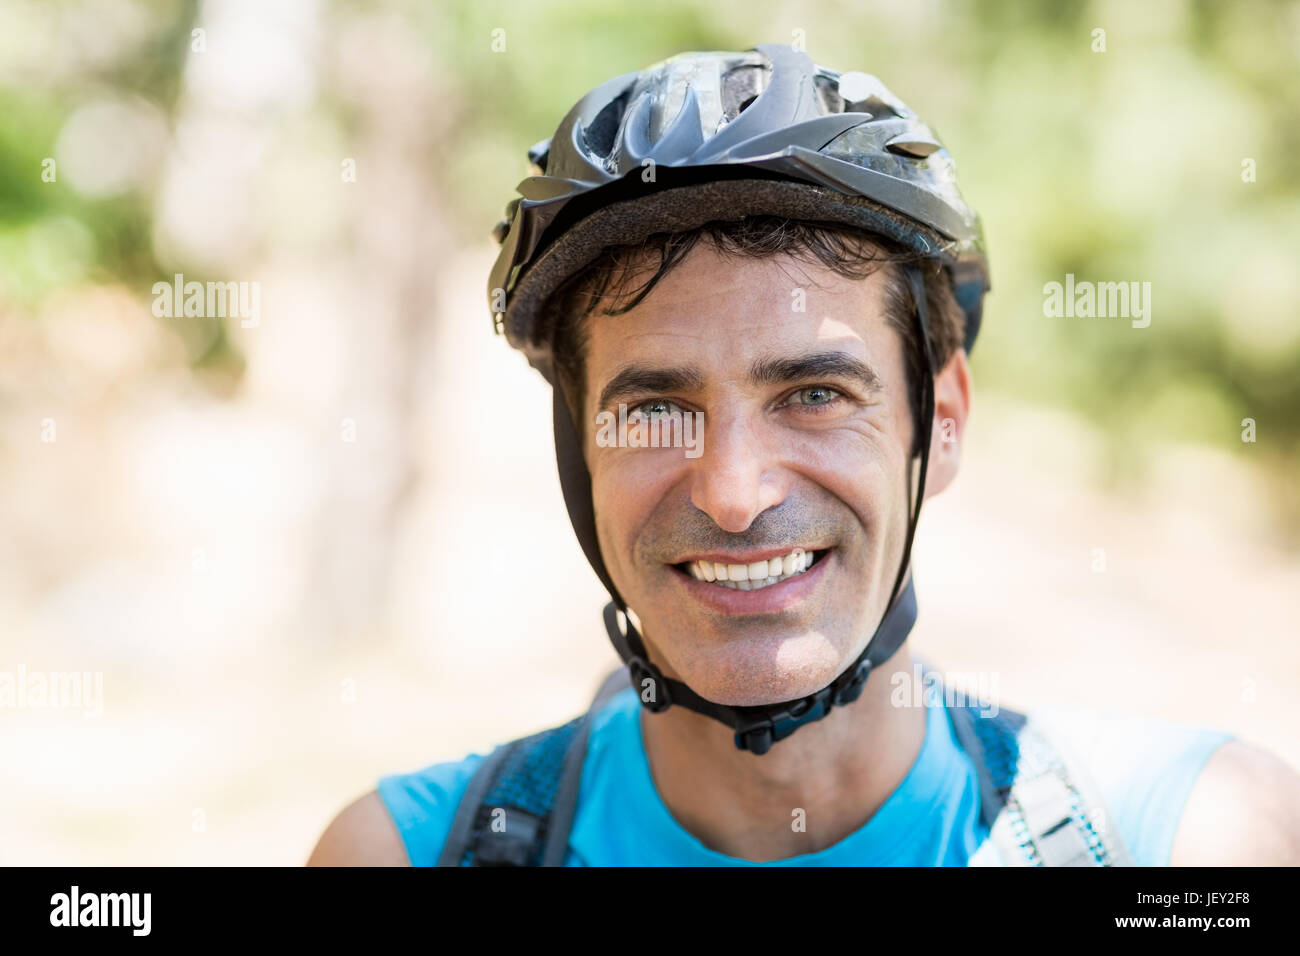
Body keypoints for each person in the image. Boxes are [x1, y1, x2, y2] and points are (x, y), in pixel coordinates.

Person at [309, 43, 1300, 866]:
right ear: (577, 447)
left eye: (814, 394)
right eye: (655, 406)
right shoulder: (401, 851)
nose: (735, 492)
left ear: (940, 419)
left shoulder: (1192, 842)